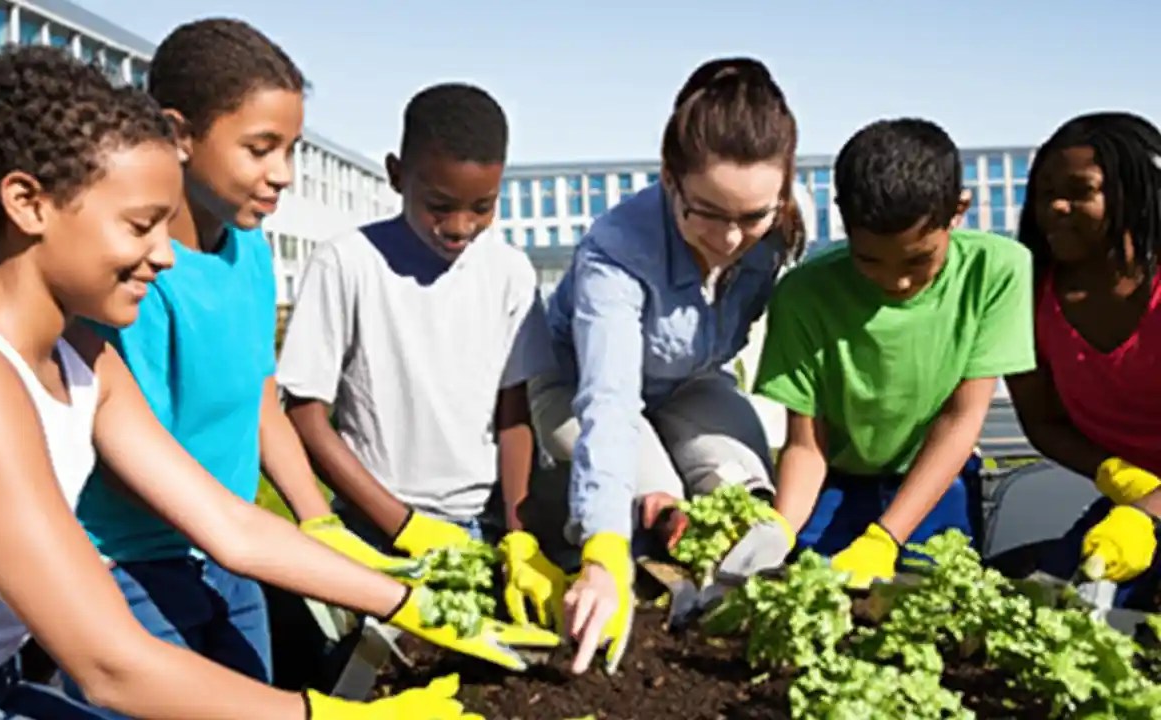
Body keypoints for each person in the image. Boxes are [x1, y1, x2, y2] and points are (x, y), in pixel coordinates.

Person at [0, 45, 490, 720]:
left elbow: (230, 526)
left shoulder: (83, 361)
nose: (165, 254)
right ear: (28, 203)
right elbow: (111, 665)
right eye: (140, 225)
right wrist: (329, 715)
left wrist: (415, 600)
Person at [531, 57, 803, 676]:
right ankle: (639, 640)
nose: (732, 238)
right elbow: (608, 403)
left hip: (692, 380)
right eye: (707, 211)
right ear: (669, 178)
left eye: (753, 216)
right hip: (578, 382)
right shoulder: (616, 251)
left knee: (743, 494)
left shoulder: (785, 222)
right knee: (653, 503)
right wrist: (603, 553)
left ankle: (724, 623)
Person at [278, 83, 560, 627]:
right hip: (371, 530)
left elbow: (513, 413)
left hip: (478, 528)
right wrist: (401, 524)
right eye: (439, 206)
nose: (459, 227)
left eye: (482, 207)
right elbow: (305, 416)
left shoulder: (509, 273)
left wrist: (520, 538)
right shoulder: (347, 263)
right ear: (396, 174)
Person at [726, 118, 1035, 590]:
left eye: (917, 260)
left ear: (959, 210)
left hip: (936, 476)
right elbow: (808, 446)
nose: (897, 281)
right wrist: (780, 530)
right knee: (811, 590)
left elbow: (961, 419)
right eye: (869, 260)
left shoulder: (996, 271)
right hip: (838, 481)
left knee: (938, 602)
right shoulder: (804, 296)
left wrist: (885, 537)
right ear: (843, 220)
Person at [1006, 112, 1161, 608]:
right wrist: (1113, 473)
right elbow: (1043, 421)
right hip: (1129, 502)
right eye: (1045, 190)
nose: (1055, 205)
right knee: (1053, 607)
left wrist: (1149, 515)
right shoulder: (1028, 299)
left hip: (1143, 513)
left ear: (1135, 195)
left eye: (1079, 191)